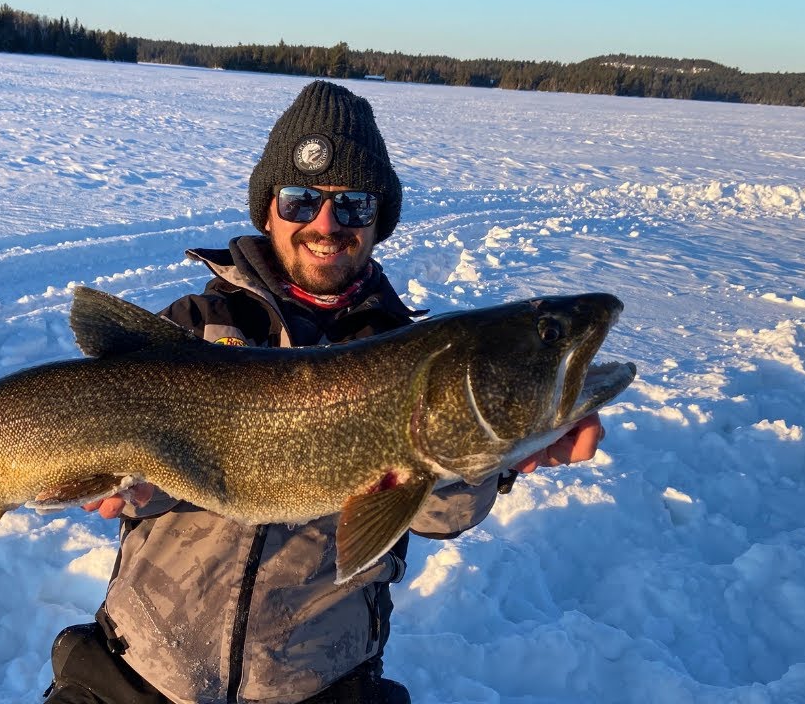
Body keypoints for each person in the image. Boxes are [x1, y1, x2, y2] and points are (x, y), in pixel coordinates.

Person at [42, 80, 606, 704]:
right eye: (301, 198)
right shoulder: (197, 325)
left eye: (354, 204)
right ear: (267, 209)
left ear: (378, 220)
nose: (326, 223)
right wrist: (128, 489)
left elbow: (436, 516)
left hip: (317, 683)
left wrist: (496, 456)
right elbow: (146, 492)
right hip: (141, 669)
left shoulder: (405, 350)